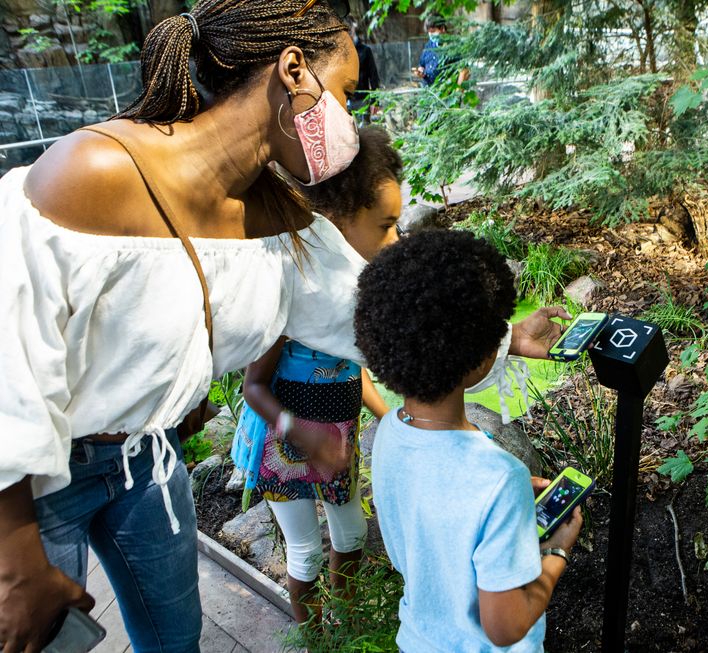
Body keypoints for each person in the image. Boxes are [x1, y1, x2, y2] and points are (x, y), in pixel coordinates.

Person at [0, 0, 567, 642]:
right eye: (347, 94)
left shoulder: (280, 216)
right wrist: (15, 557)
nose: (350, 120)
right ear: (294, 70)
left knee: (173, 641)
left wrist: (501, 339)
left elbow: (375, 316)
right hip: (36, 485)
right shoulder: (92, 172)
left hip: (149, 460)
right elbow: (9, 360)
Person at [354, 230, 583, 652]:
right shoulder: (499, 478)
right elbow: (505, 626)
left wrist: (505, 511)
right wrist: (556, 552)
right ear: (480, 357)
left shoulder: (389, 433)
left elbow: (437, 521)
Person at [231, 127, 401, 625]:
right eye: (385, 226)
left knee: (349, 538)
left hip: (338, 437)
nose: (395, 241)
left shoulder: (355, 294)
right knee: (304, 550)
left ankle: (342, 626)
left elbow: (350, 368)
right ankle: (312, 637)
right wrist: (299, 431)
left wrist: (386, 415)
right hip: (284, 441)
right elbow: (253, 387)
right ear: (333, 223)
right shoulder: (293, 295)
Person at [413, 15, 469, 87]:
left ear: (442, 28)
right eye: (429, 32)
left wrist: (459, 91)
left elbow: (464, 70)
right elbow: (422, 65)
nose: (430, 35)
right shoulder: (428, 45)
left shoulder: (453, 46)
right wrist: (420, 72)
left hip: (447, 92)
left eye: (433, 31)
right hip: (429, 91)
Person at [347, 19, 380, 121]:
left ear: (353, 29)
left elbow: (374, 77)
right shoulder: (339, 51)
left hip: (362, 99)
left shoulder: (365, 50)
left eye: (349, 30)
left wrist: (375, 101)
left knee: (364, 133)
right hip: (344, 100)